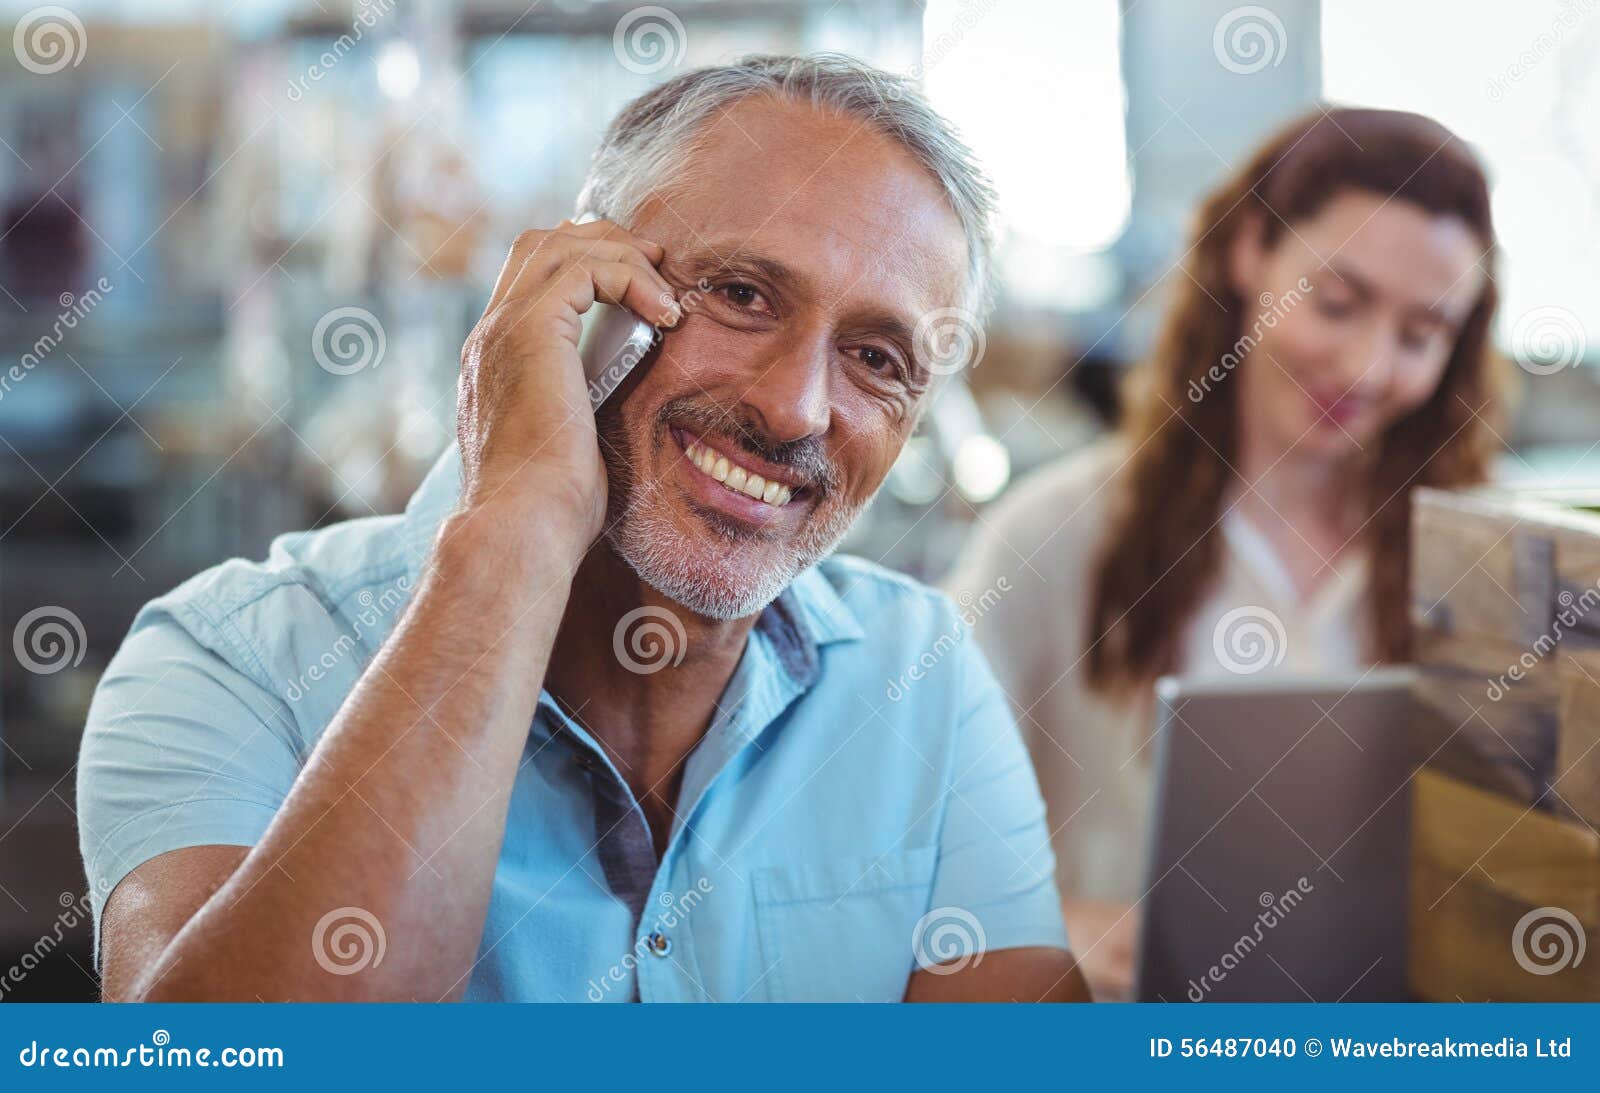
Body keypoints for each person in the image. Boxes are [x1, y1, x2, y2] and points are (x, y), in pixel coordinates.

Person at [77, 54, 1087, 1003]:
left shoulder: (919, 672)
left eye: (875, 358)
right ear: (576, 288)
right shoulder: (236, 660)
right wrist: (517, 526)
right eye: (741, 295)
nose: (794, 410)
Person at [944, 107, 1501, 1000]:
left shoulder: (1477, 559)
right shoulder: (1053, 533)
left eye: (1420, 334)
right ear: (1250, 253)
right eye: (1336, 302)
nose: (1366, 368)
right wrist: (1049, 920)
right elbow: (911, 827)